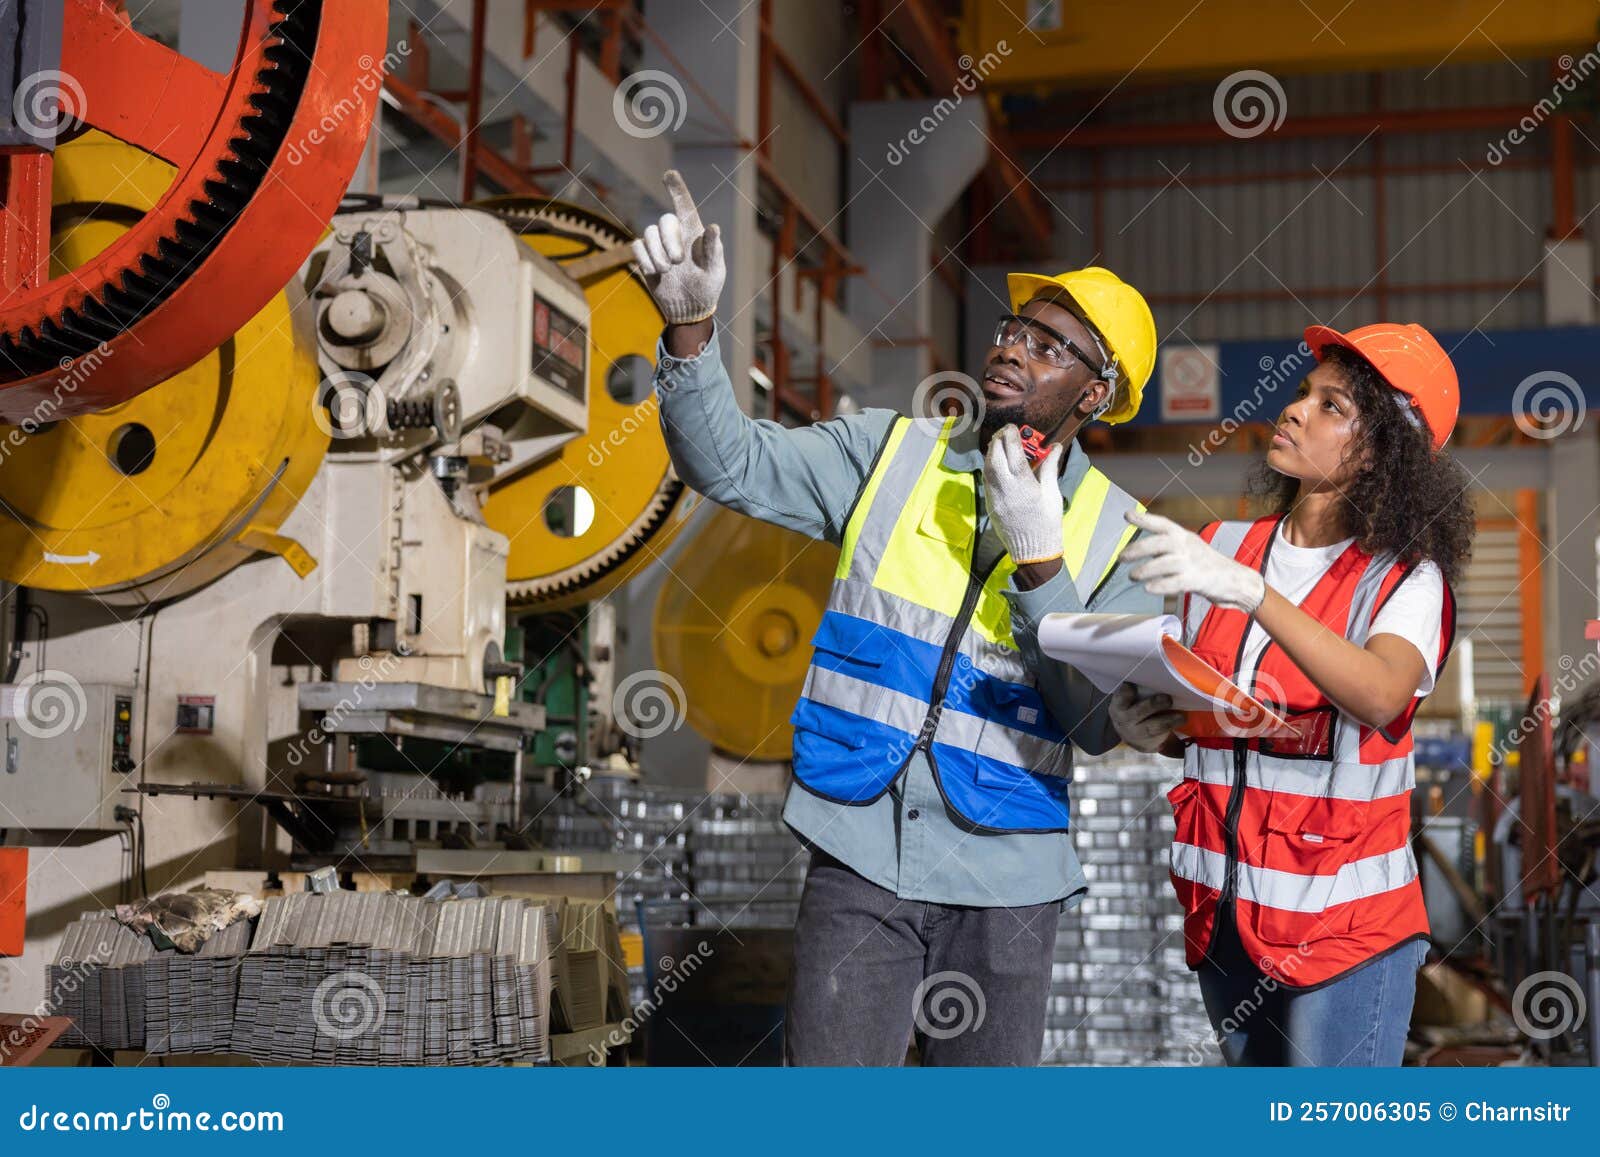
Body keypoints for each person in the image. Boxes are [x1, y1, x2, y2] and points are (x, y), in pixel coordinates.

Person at [633, 170, 1160, 1065]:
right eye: (1012, 330)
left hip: (1007, 886)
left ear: (1094, 393)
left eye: (1048, 345)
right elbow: (728, 464)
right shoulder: (889, 454)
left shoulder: (1120, 538)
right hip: (859, 851)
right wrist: (690, 331)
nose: (1010, 349)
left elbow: (1096, 722)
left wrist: (1042, 564)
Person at [1108, 322, 1474, 1067]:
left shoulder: (1403, 579)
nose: (1296, 409)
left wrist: (1254, 592)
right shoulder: (1221, 549)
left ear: (1382, 450)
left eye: (1333, 405)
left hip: (1347, 931)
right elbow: (1224, 717)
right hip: (1226, 918)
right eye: (1304, 393)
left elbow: (1378, 693)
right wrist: (1156, 728)